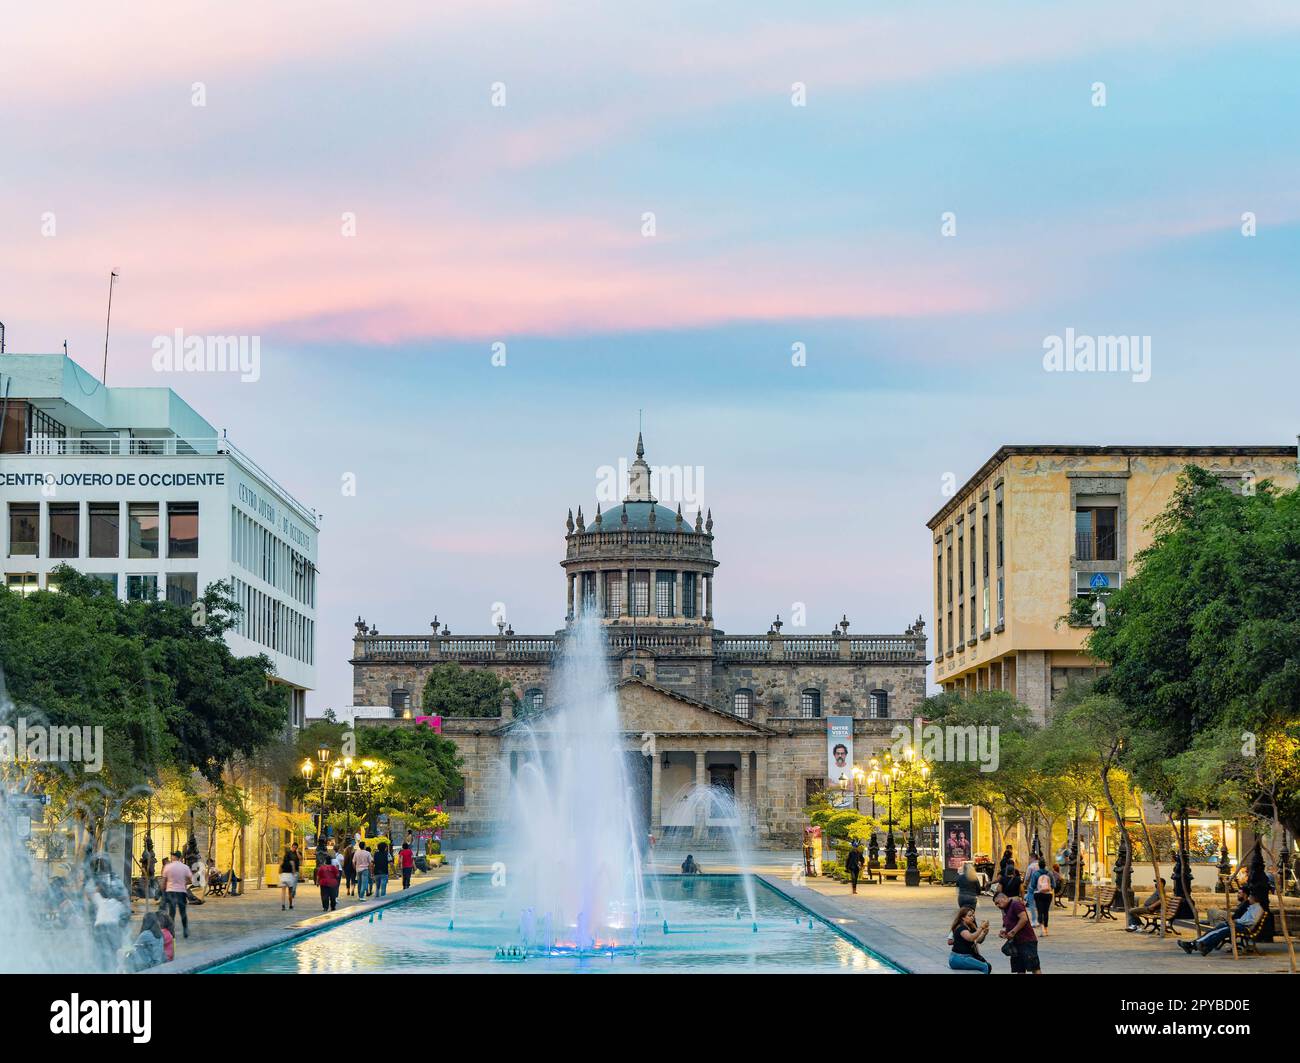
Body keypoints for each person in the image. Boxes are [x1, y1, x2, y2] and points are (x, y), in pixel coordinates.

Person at [1179, 891, 1266, 956]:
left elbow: (1252, 921)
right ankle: (1199, 944)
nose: (1249, 899)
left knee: (1221, 931)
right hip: (1239, 924)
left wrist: (1237, 921)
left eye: (1250, 897)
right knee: (1216, 929)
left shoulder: (1258, 909)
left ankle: (1195, 945)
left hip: (1244, 927)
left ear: (1254, 898)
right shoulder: (1252, 907)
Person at [994, 890, 1041, 974]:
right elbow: (1008, 924)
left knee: (1034, 967)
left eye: (997, 903)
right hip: (1016, 943)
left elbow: (1024, 918)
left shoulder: (1015, 904)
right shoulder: (1005, 910)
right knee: (1019, 969)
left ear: (1003, 898)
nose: (997, 906)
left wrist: (1013, 932)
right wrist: (1004, 932)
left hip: (1027, 941)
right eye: (996, 904)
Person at [948, 906, 992, 974]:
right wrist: (981, 927)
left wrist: (984, 934)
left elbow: (978, 941)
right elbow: (971, 938)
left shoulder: (971, 926)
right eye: (969, 916)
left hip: (968, 956)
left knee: (988, 965)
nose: (972, 917)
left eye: (973, 916)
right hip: (958, 958)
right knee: (985, 967)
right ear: (963, 917)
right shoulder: (961, 927)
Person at [161, 850, 194, 939]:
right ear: (180, 858)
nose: (171, 857)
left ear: (174, 857)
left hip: (171, 892)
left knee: (172, 913)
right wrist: (184, 883)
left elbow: (163, 882)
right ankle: (185, 929)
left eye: (172, 856)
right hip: (181, 892)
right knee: (183, 912)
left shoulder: (167, 867)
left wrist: (162, 891)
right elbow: (191, 880)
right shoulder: (185, 867)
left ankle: (172, 932)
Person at [1032, 858, 1054, 935]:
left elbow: (1033, 885)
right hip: (1048, 895)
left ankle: (1042, 929)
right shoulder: (1050, 873)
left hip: (1038, 894)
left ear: (1039, 866)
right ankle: (1046, 929)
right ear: (1045, 865)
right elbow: (1054, 885)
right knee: (1046, 912)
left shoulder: (1035, 874)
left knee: (1040, 911)